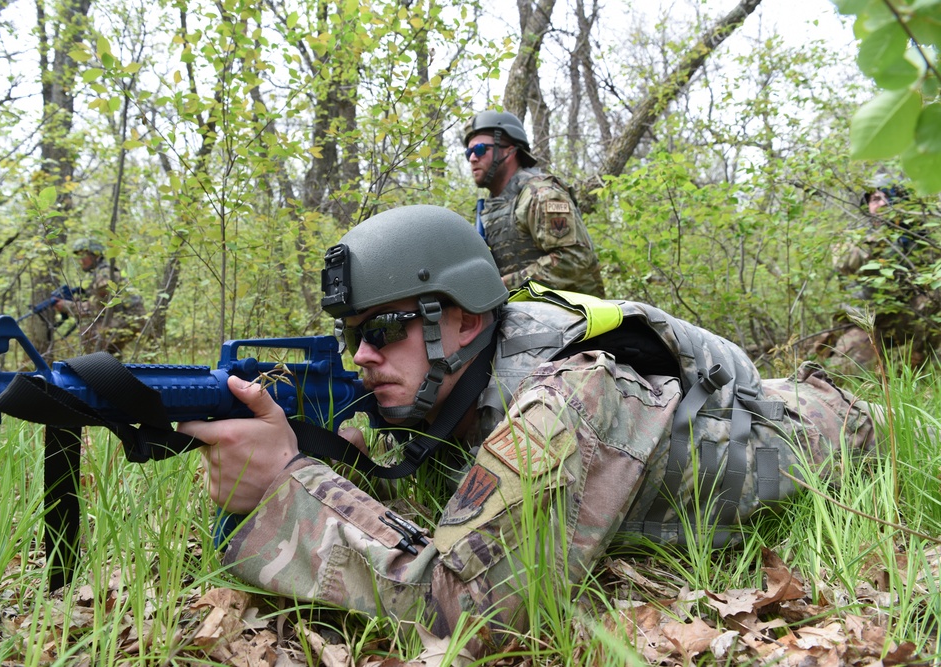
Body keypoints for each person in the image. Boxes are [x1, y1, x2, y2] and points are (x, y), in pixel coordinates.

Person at [178, 205, 876, 656]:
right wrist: (347, 466)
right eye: (352, 333)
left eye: (385, 329)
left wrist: (289, 483)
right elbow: (456, 512)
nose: (361, 355)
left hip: (836, 427)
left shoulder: (563, 398)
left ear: (468, 320)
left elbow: (460, 607)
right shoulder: (446, 390)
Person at [463, 109, 605, 297]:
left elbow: (574, 260)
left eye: (480, 149)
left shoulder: (541, 194)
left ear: (510, 150)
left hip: (575, 315)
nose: (473, 158)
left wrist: (504, 284)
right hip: (530, 312)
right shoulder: (493, 205)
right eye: (469, 151)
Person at [813, 183, 941, 371]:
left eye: (888, 199)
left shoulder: (917, 239)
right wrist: (884, 239)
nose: (882, 204)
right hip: (864, 323)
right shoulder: (853, 237)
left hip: (903, 318)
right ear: (868, 206)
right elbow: (846, 263)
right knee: (843, 377)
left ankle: (909, 371)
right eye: (875, 199)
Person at [56, 237, 147, 357]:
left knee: (90, 335)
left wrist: (66, 306)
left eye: (84, 255)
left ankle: (97, 371)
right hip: (124, 318)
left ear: (95, 254)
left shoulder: (104, 274)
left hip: (129, 319)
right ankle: (111, 368)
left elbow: (98, 308)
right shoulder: (100, 273)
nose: (81, 261)